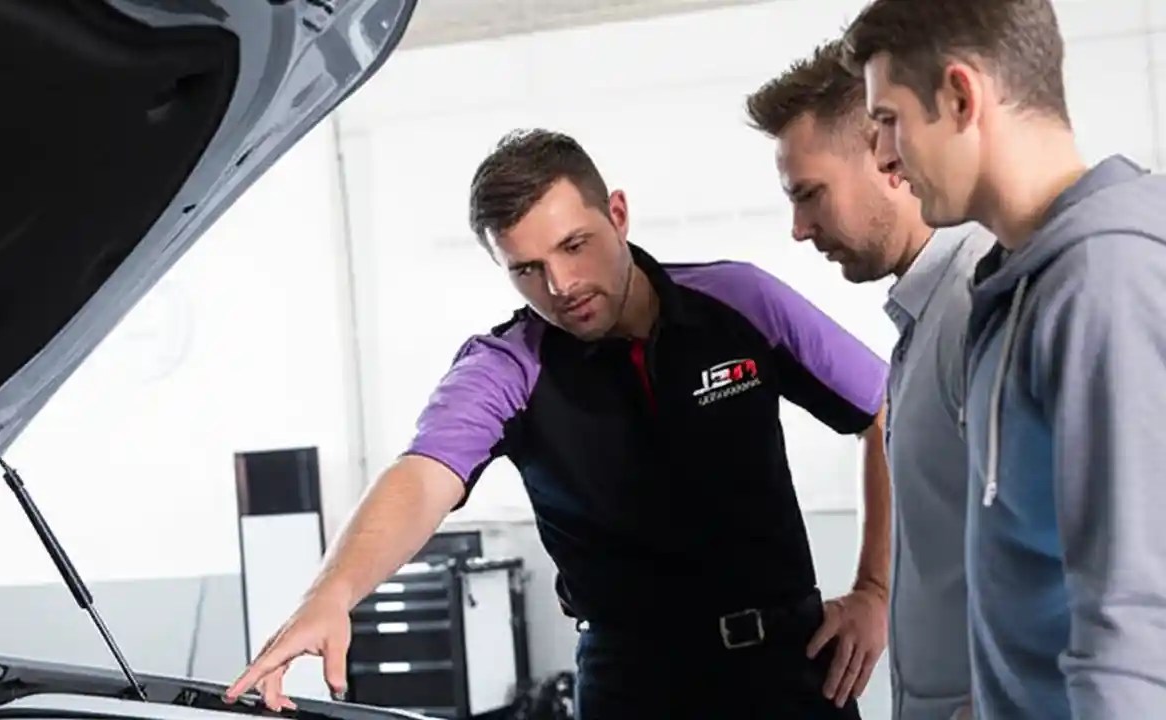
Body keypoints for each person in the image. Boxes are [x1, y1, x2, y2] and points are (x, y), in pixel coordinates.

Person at [222, 128, 893, 719]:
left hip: (787, 668)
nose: (562, 284)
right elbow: (422, 477)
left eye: (576, 245)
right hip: (632, 686)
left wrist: (875, 590)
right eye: (528, 269)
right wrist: (333, 592)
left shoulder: (741, 300)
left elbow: (888, 410)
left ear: (619, 214)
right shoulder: (507, 367)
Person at [843, 1, 1166, 717]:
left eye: (890, 120)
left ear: (961, 96)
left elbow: (1135, 622)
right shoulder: (1016, 284)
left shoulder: (1105, 281)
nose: (886, 157)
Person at [745, 39, 994, 720]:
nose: (799, 228)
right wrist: (875, 590)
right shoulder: (923, 318)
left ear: (888, 160)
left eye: (810, 195)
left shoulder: (980, 305)